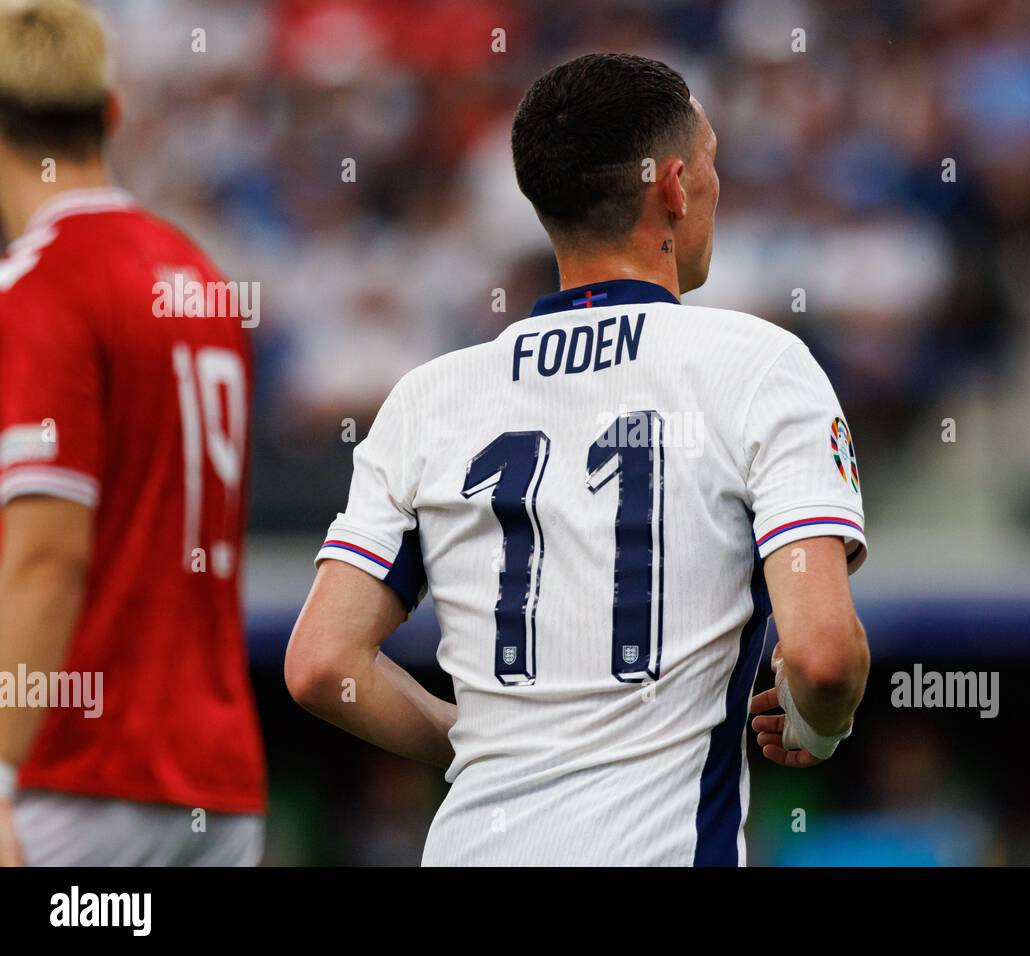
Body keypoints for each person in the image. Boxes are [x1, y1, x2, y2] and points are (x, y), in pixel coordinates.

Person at [286, 52, 869, 866]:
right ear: (671, 185)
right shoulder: (758, 366)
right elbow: (823, 653)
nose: (717, 187)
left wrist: (478, 744)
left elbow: (320, 665)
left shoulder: (431, 395)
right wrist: (821, 723)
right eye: (711, 164)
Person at [0, 0, 264, 866]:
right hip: (217, 783)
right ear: (110, 113)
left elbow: (47, 555)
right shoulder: (199, 277)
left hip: (75, 778)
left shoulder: (41, 285)